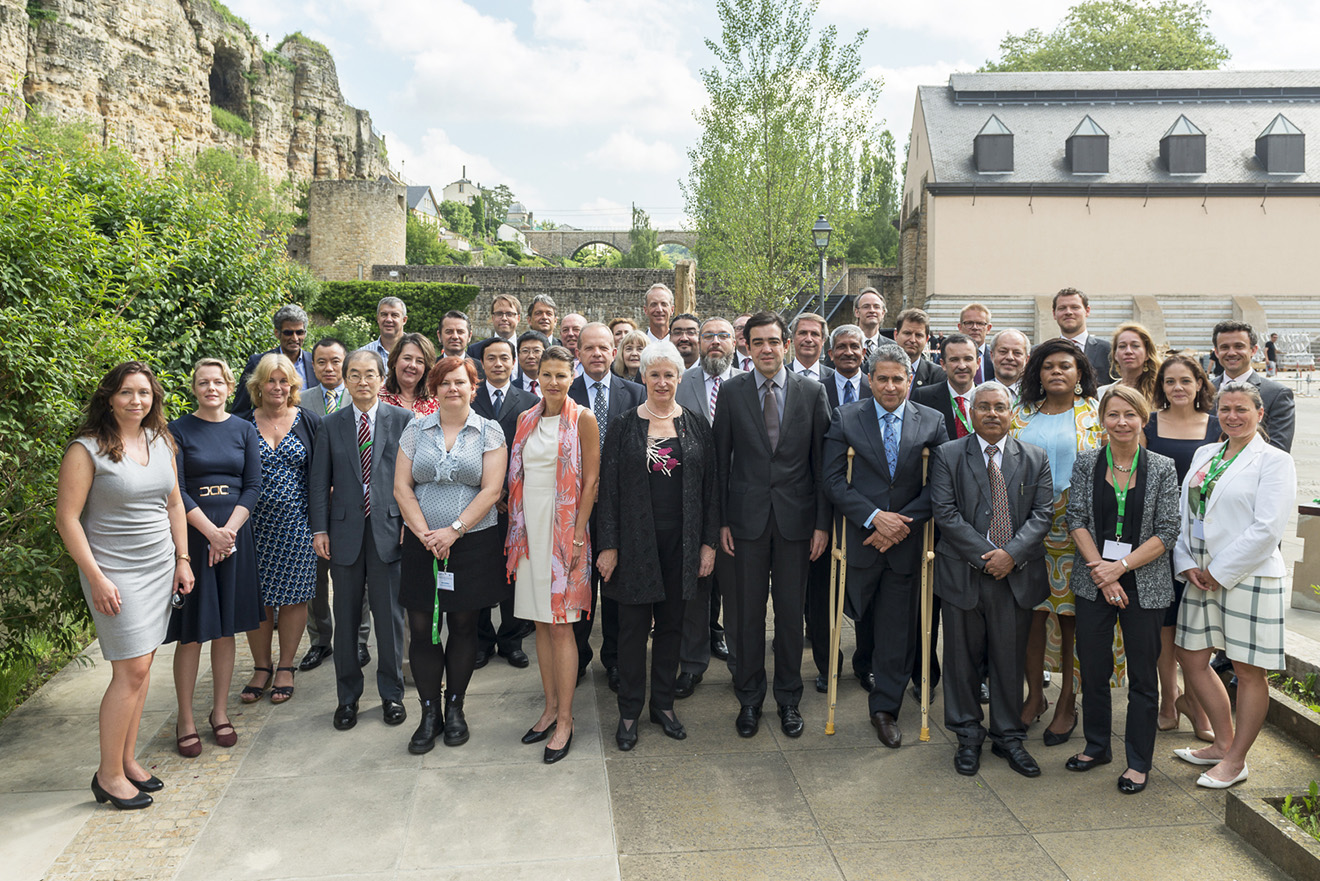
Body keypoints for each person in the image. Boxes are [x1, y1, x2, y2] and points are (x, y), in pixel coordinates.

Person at [57, 362, 194, 809]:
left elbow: (174, 504)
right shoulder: (86, 450)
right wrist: (96, 577)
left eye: (145, 393)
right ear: (109, 398)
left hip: (159, 566)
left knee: (143, 665)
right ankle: (108, 775)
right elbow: (67, 519)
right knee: (129, 671)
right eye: (127, 392)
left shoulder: (161, 440)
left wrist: (182, 558)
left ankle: (128, 760)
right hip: (114, 573)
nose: (137, 401)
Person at [822, 344, 947, 748]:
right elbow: (833, 479)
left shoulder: (932, 421)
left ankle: (885, 708)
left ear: (910, 380)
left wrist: (899, 524)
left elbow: (939, 485)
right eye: (882, 379)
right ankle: (865, 667)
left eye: (898, 379)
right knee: (862, 616)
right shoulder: (846, 417)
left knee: (896, 629)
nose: (890, 386)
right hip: (861, 540)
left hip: (906, 543)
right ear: (870, 380)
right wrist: (875, 518)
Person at [1172, 381, 1296, 789]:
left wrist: (1220, 570)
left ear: (1260, 414)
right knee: (1190, 655)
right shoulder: (1205, 453)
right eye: (1225, 409)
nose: (1232, 416)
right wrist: (1187, 562)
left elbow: (1268, 529)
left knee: (1247, 669)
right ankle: (1221, 743)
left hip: (1248, 574)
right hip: (1200, 573)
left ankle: (1237, 760)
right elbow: (1186, 516)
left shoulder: (1274, 461)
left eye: (1241, 409)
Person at [714, 311, 831, 739]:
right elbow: (720, 462)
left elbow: (823, 465)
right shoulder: (731, 392)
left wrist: (821, 525)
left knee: (789, 618)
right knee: (745, 617)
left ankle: (788, 699)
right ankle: (749, 699)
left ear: (786, 345)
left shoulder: (812, 392)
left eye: (773, 341)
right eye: (758, 342)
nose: (767, 349)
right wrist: (721, 522)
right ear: (747, 346)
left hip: (796, 524)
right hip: (744, 524)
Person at [598, 341, 718, 750]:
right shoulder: (623, 425)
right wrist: (608, 545)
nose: (662, 382)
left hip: (683, 544)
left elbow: (711, 491)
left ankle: (663, 705)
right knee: (632, 629)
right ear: (644, 377)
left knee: (672, 627)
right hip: (635, 544)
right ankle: (630, 710)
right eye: (655, 374)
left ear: (680, 378)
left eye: (669, 375)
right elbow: (608, 491)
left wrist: (708, 545)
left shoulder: (697, 425)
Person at [930, 381, 1052, 777]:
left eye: (1000, 406)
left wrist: (1011, 555)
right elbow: (945, 512)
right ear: (971, 413)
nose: (992, 414)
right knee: (961, 660)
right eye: (983, 407)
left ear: (1011, 413)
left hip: (1014, 576)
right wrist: (987, 557)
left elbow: (1042, 515)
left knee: (1009, 659)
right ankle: (967, 735)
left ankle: (1008, 736)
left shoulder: (1034, 457)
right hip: (963, 573)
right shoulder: (949, 454)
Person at [1066, 386, 1180, 793]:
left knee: (1143, 677)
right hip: (1094, 578)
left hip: (1144, 582)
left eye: (1130, 415)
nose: (1121, 422)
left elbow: (1168, 530)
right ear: (1102, 420)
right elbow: (1076, 518)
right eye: (1113, 414)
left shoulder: (1162, 467)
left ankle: (1138, 762)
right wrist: (1102, 571)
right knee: (1093, 668)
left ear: (1143, 419)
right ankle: (1097, 746)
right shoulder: (1087, 463)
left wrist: (1120, 567)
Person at [395, 356, 508, 752]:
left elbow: (492, 490)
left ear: (473, 388)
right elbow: (402, 487)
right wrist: (426, 535)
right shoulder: (415, 429)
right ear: (435, 389)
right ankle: (429, 712)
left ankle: (455, 706)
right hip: (423, 543)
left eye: (460, 382)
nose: (452, 388)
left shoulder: (489, 431)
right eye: (445, 383)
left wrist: (454, 530)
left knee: (462, 626)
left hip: (471, 542)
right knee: (422, 628)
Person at [1010, 338, 1106, 744]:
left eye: (1065, 366)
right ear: (1038, 372)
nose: (1056, 372)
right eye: (1048, 366)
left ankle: (1068, 700)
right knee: (1031, 614)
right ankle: (1035, 696)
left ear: (1079, 372)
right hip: (1027, 529)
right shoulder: (1020, 413)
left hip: (1078, 531)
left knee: (1071, 619)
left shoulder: (1096, 414)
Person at [506, 346, 600, 763]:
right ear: (537, 377)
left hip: (565, 532)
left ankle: (565, 720)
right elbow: (518, 476)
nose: (554, 382)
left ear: (572, 377)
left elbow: (592, 482)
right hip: (529, 531)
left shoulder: (583, 419)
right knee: (541, 624)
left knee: (562, 626)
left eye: (561, 375)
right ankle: (548, 709)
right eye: (547, 374)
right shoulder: (525, 419)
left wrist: (578, 536)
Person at [309, 350, 412, 731]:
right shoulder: (329, 424)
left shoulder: (402, 420)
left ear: (382, 379)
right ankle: (347, 698)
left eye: (370, 374)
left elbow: (413, 477)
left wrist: (410, 522)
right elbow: (318, 482)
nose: (363, 381)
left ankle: (391, 694)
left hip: (389, 530)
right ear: (345, 380)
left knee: (389, 620)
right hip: (344, 533)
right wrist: (320, 529)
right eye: (354, 374)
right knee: (347, 618)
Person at [165, 359, 263, 758]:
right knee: (192, 631)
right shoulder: (176, 430)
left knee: (226, 630)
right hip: (194, 536)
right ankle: (185, 718)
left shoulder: (244, 429)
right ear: (194, 388)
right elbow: (176, 490)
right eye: (203, 382)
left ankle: (219, 712)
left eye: (218, 382)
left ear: (228, 386)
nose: (211, 388)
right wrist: (211, 533)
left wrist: (229, 532)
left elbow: (253, 485)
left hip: (236, 537)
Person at [1145, 353, 1220, 738]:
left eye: (1186, 381)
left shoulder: (1217, 426)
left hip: (1201, 538)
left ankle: (1196, 702)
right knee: (1166, 625)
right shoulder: (1149, 424)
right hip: (1158, 536)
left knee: (1198, 626)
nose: (1178, 388)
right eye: (1170, 381)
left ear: (1200, 384)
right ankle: (1169, 698)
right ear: (1161, 386)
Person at [569, 323, 646, 687]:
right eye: (589, 348)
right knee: (579, 584)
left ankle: (614, 659)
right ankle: (576, 657)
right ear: (578, 353)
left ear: (614, 353)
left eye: (603, 348)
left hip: (621, 508)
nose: (597, 354)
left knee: (615, 586)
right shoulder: (564, 393)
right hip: (577, 509)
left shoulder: (636, 393)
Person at [244, 353, 322, 707]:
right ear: (258, 386)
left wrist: (321, 526)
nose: (277, 387)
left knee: (294, 597)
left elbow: (321, 476)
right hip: (252, 527)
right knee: (257, 599)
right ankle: (262, 667)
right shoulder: (242, 424)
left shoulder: (309, 421)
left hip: (298, 524)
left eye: (283, 381)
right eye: (270, 381)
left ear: (293, 386)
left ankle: (286, 666)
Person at [674, 317, 741, 695]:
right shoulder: (681, 382)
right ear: (699, 342)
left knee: (738, 590)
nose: (715, 341)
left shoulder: (749, 382)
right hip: (692, 502)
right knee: (695, 590)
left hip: (740, 503)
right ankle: (691, 664)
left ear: (735, 342)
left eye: (723, 335)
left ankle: (741, 665)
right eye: (709, 336)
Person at [299, 338, 371, 671]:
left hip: (354, 507)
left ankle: (358, 639)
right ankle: (319, 640)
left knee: (359, 579)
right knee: (316, 580)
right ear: (312, 366)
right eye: (321, 362)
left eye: (336, 361)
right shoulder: (301, 401)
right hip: (313, 504)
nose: (329, 368)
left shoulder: (362, 396)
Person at [472, 337, 539, 668]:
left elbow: (533, 451)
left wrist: (508, 493)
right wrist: (489, 492)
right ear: (482, 364)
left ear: (513, 363)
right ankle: (482, 640)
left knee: (515, 574)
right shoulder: (470, 399)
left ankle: (511, 639)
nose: (498, 364)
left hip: (516, 504)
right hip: (476, 503)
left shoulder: (530, 401)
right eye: (491, 358)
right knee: (481, 573)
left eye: (503, 358)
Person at [1210, 320, 1295, 452]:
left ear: (1253, 350)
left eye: (1239, 346)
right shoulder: (1204, 390)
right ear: (1216, 352)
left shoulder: (1277, 394)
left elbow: (1278, 449)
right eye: (1225, 347)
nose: (1231, 353)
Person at [232, 305, 318, 417]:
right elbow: (240, 411)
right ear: (277, 333)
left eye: (299, 332)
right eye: (288, 333)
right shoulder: (257, 363)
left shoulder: (315, 363)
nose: (295, 338)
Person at [1052, 287, 1113, 382]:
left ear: (1087, 311)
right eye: (1062, 308)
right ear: (1054, 314)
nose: (1068, 312)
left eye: (1075, 307)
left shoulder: (1109, 351)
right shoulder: (1040, 353)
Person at [380, 332, 438, 417]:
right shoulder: (377, 399)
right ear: (394, 361)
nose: (412, 365)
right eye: (407, 358)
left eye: (419, 361)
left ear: (426, 367)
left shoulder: (436, 401)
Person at [893, 308, 946, 394]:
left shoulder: (939, 376)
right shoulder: (878, 369)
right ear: (896, 335)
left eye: (918, 335)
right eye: (907, 333)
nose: (912, 340)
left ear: (926, 339)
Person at [1103, 323, 1161, 403]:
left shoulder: (1160, 392)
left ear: (1147, 354)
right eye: (1122, 346)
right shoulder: (1102, 393)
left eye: (1135, 346)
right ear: (1115, 354)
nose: (1128, 351)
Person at [466, 294, 523, 362]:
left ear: (518, 318)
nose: (504, 318)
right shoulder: (475, 351)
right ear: (492, 318)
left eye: (509, 314)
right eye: (499, 313)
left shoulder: (528, 351)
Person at [360, 296, 408, 375]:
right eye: (384, 315)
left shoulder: (417, 352)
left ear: (404, 320)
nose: (388, 319)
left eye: (394, 315)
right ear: (378, 318)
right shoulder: (362, 354)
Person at [957, 303, 994, 383]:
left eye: (980, 323)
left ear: (988, 328)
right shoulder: (946, 358)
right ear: (960, 327)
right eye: (969, 323)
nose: (975, 327)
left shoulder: (996, 359)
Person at [989, 329, 1030, 399]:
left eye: (1017, 353)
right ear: (992, 355)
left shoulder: (1037, 396)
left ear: (1026, 359)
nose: (1010, 357)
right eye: (1003, 351)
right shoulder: (979, 394)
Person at [789, 313, 831, 381]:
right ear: (793, 338)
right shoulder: (779, 376)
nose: (808, 339)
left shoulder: (834, 378)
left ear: (823, 340)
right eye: (803, 333)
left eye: (814, 334)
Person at [517, 330, 550, 396]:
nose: (531, 356)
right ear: (518, 355)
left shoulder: (555, 386)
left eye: (536, 351)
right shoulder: (510, 388)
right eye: (525, 351)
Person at [855, 288, 887, 356]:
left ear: (883, 313)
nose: (872, 310)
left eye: (876, 307)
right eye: (866, 307)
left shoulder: (893, 347)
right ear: (857, 312)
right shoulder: (844, 346)